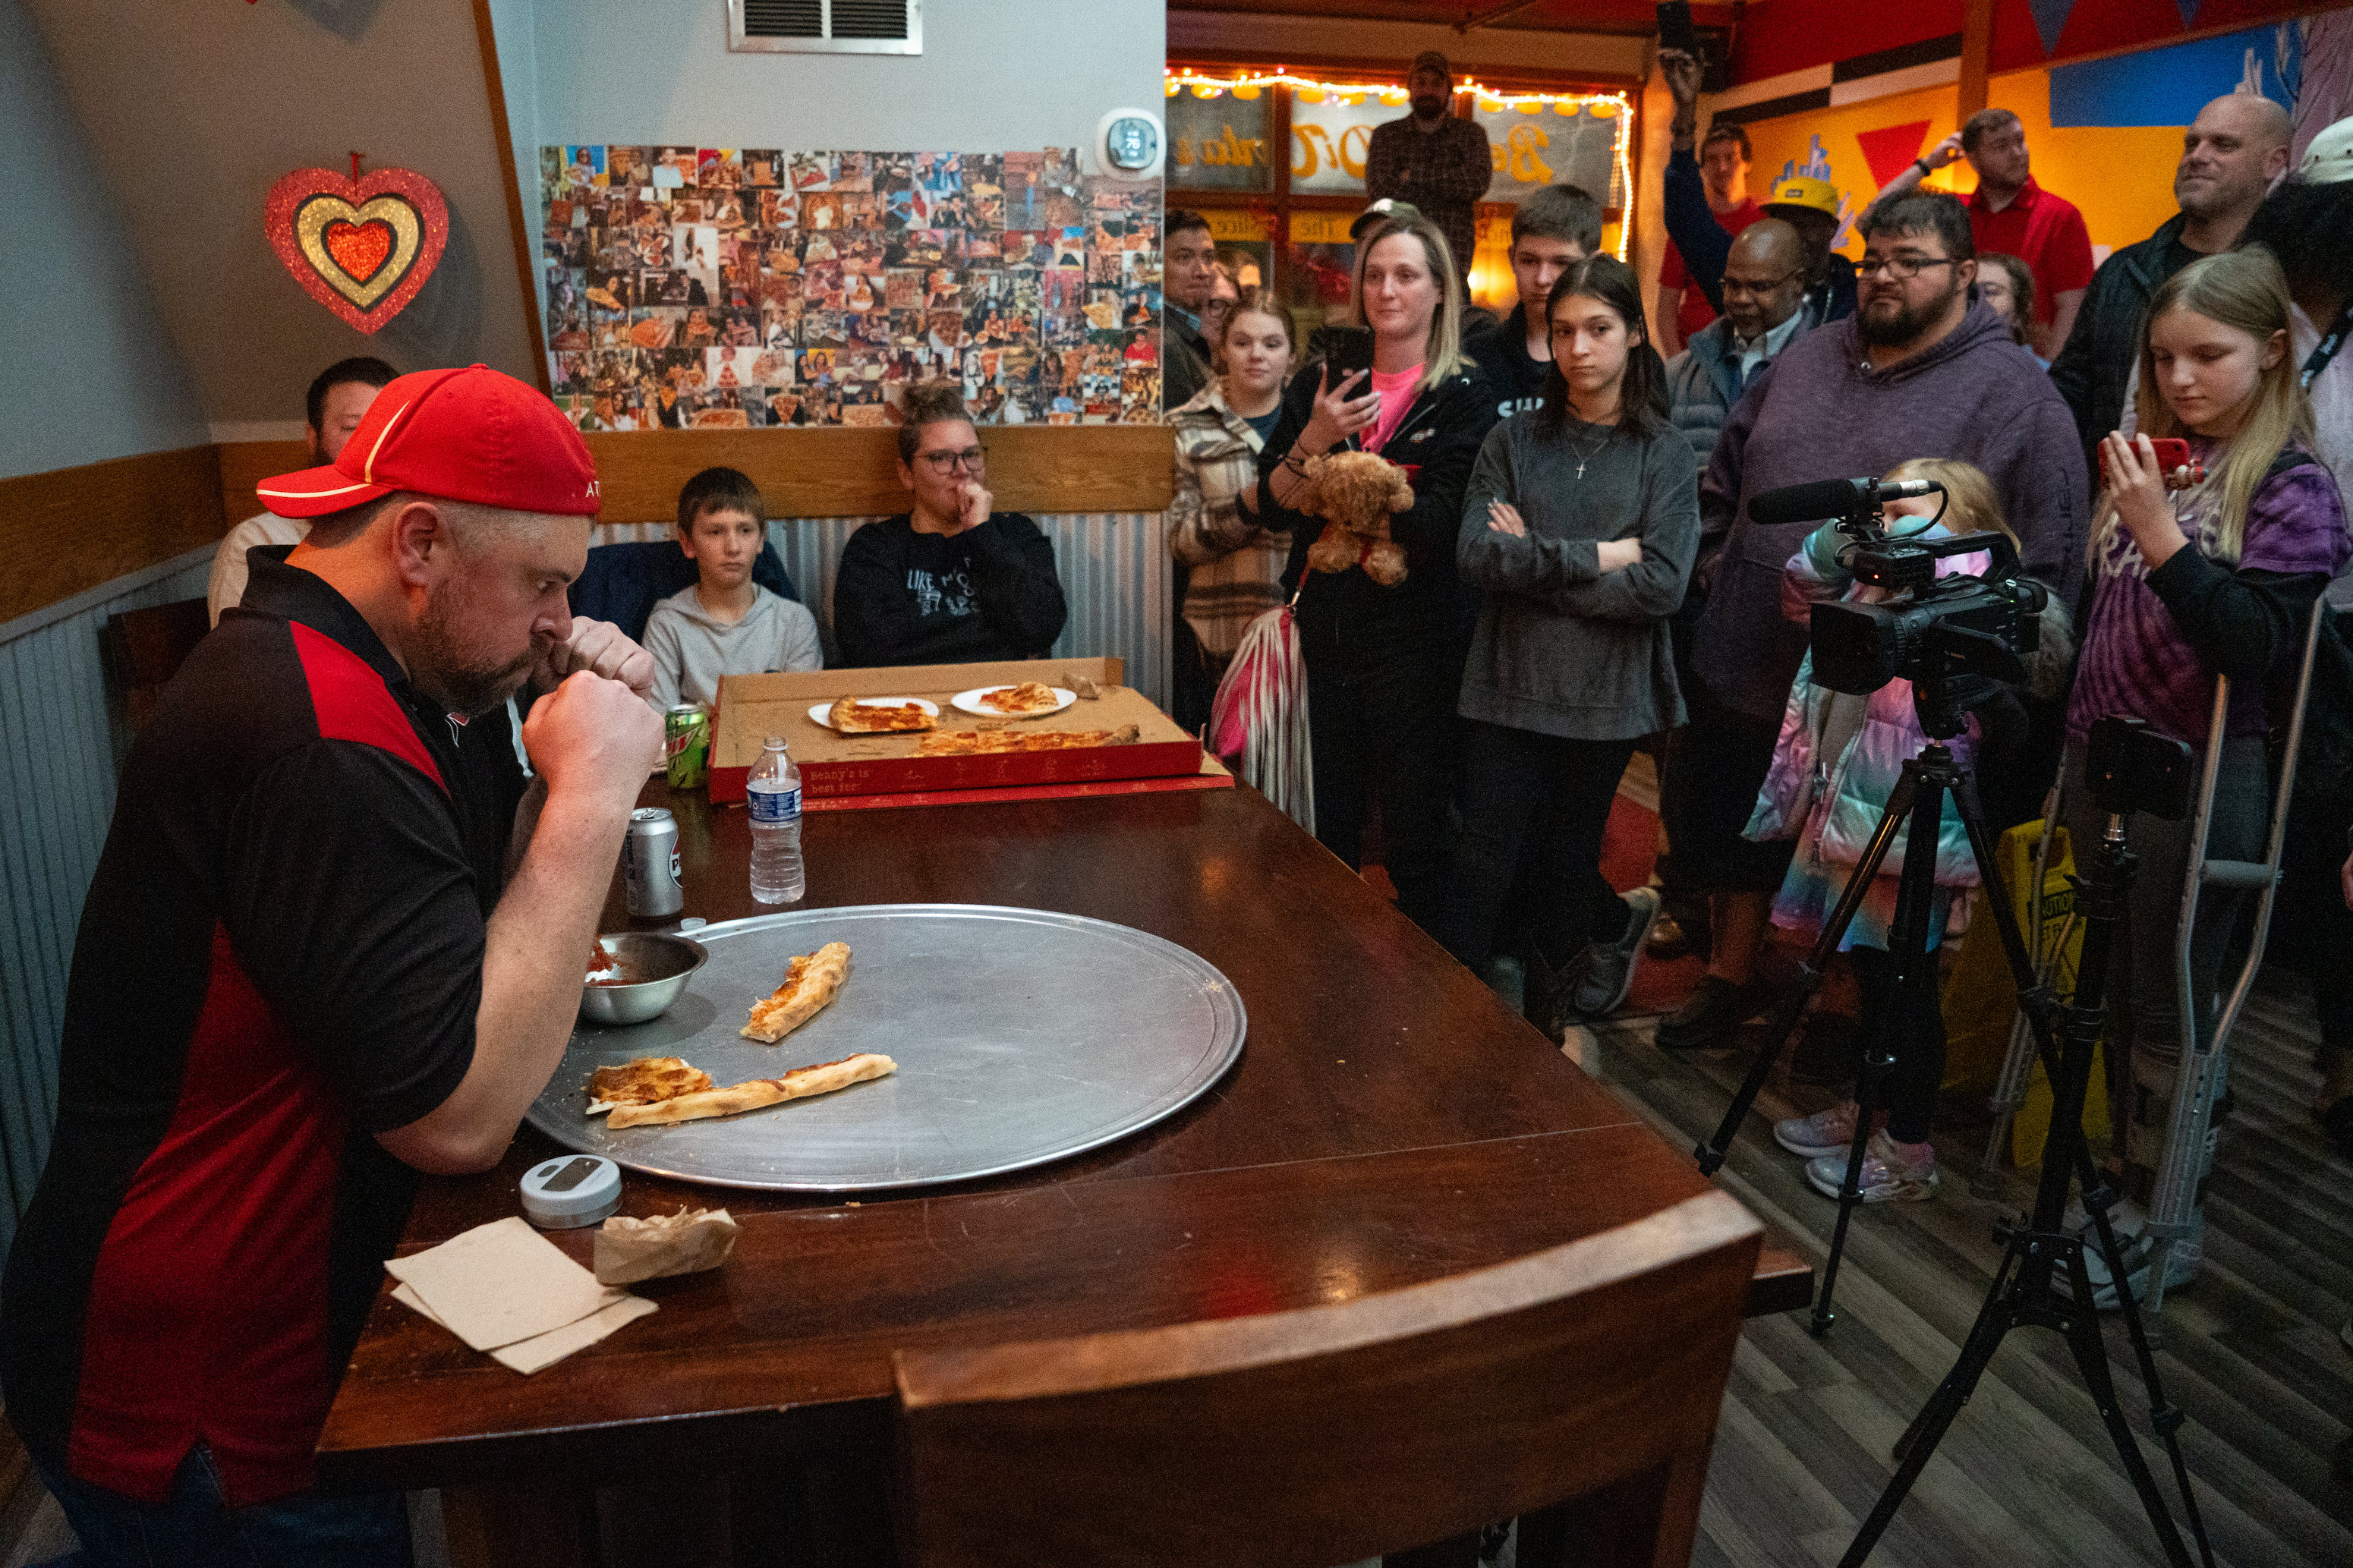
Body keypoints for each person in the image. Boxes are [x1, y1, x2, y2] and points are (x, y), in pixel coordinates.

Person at [0, 365, 664, 1562]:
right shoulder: (315, 729)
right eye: (542, 582)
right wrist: (600, 796)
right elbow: (453, 1116)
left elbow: (473, 934)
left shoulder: (377, 671)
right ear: (419, 543)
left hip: (266, 1323)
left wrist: (562, 753)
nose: (562, 618)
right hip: (206, 1388)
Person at [1655, 190, 2087, 1053]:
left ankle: (1842, 1011)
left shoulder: (2018, 398)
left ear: (1965, 273)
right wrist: (1721, 569)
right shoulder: (1811, 356)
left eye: (1909, 260)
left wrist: (1980, 680)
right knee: (1741, 825)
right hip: (1754, 655)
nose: (1882, 274)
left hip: (1885, 695)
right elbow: (1721, 479)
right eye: (1872, 258)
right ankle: (1730, 974)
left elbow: (2045, 565)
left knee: (1864, 854)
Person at [2060, 249, 2349, 1303]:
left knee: (2177, 1005)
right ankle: (2131, 1190)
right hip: (2108, 755)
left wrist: (2159, 533)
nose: (2182, 377)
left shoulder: (2291, 486)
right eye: (2165, 356)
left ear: (2272, 351)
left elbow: (2253, 643)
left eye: (2209, 355)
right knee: (2120, 994)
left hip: (2210, 762)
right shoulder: (2161, 458)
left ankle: (2166, 1218)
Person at [1436, 256, 1697, 1034]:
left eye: (1597, 329)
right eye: (1562, 331)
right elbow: (1479, 557)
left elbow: (1662, 584)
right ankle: (1446, 1034)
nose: (1578, 347)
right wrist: (1600, 553)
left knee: (1563, 864)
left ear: (1631, 336)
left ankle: (1545, 1039)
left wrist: (1539, 559)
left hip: (1605, 696)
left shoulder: (1664, 452)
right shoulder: (1513, 439)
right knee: (1479, 862)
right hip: (1506, 683)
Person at [1756, 461, 2016, 1202]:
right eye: (1889, 495)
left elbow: (1959, 565)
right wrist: (1847, 529)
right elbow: (1798, 586)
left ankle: (1908, 1145)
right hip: (1856, 812)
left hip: (1912, 820)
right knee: (1871, 979)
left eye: (1913, 496)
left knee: (1907, 988)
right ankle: (1870, 1108)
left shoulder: (1962, 588)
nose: (1894, 512)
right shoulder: (1873, 585)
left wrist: (1915, 531)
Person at [1255, 209, 1500, 932]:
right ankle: (1328, 973)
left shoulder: (1466, 394)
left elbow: (1445, 522)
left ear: (1438, 291)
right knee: (1324, 826)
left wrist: (1333, 495)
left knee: (1418, 836)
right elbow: (1276, 504)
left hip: (1420, 646)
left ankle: (1432, 999)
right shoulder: (1320, 383)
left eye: (1406, 275)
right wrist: (1317, 436)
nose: (1387, 290)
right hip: (1325, 637)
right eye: (1374, 275)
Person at [2240, 116, 2353, 1153]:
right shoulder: (2258, 307)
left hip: (2348, 615)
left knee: (2332, 839)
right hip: (2260, 601)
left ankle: (2340, 1053)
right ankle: (2207, 1061)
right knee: (2259, 831)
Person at [2051, 93, 2292, 483]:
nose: (2197, 155)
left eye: (2224, 144)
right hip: (2119, 512)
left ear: (2274, 163)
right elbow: (2070, 395)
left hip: (2249, 510)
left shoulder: (2292, 277)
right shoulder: (2123, 272)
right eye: (2191, 143)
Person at [833, 381, 1068, 667]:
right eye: (941, 458)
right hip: (909, 706)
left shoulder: (1017, 534)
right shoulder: (874, 548)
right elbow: (871, 652)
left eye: (971, 455)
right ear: (907, 473)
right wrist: (1005, 643)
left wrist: (982, 533)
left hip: (1008, 700)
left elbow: (1042, 628)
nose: (963, 471)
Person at [1168, 290, 1299, 728]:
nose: (1256, 355)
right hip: (1217, 637)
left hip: (1301, 635)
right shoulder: (1185, 425)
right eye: (1242, 343)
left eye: (1271, 343)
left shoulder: (1315, 426)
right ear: (1223, 349)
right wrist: (1255, 502)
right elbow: (1181, 540)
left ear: (1292, 356)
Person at [1869, 109, 2093, 359]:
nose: (2018, 153)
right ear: (1973, 159)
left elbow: (2072, 307)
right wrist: (1928, 164)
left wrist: (2051, 376)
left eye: (2020, 140)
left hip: (2024, 367)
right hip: (1951, 360)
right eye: (2001, 146)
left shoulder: (2060, 216)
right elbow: (1876, 215)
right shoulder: (1955, 212)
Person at [1658, 50, 1857, 328]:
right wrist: (1686, 113)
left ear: (1831, 229)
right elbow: (1686, 220)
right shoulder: (1748, 281)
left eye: (1805, 224)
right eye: (1785, 223)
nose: (1794, 234)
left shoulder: (1851, 289)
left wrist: (1923, 166)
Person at [206, 357, 398, 625]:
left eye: (387, 430)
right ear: (313, 437)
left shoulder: (411, 532)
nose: (373, 444)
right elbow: (242, 658)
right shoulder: (259, 541)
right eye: (353, 428)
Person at [642, 466, 823, 710]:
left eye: (745, 530)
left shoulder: (794, 623)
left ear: (760, 540)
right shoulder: (667, 625)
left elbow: (800, 719)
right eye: (716, 532)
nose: (733, 547)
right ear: (688, 543)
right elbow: (659, 726)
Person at [1662, 218, 1814, 467]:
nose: (1742, 299)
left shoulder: (1829, 369)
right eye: (1732, 285)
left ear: (1797, 283)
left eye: (1759, 287)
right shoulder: (1679, 375)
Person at [1462, 184, 1602, 421]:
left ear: (1594, 265)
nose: (1542, 279)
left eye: (1562, 263)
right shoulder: (1474, 358)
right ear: (1512, 259)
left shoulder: (1626, 360)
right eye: (1529, 261)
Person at [1363, 51, 1493, 282]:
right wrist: (1449, 182)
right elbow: (1380, 193)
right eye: (1421, 83)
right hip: (1398, 257)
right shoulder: (1386, 135)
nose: (1428, 91)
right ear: (1410, 88)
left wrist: (1410, 176)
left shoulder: (1471, 135)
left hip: (1453, 260)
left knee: (1456, 317)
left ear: (1449, 90)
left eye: (1437, 84)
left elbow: (1476, 183)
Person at [1655, 121, 1764, 358]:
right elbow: (1665, 312)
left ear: (1747, 164)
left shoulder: (1765, 224)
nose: (1722, 167)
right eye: (1712, 159)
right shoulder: (1688, 227)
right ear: (1702, 168)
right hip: (1695, 354)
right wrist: (1679, 368)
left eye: (1730, 157)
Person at [1163, 211, 1219, 411]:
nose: (1202, 271)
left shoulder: (1191, 331)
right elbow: (1178, 434)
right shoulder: (1165, 343)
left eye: (1209, 257)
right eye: (1184, 258)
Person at [1976, 251, 2041, 359]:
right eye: (1970, 292)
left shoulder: (2037, 373)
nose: (1978, 299)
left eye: (1990, 292)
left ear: (2021, 307)